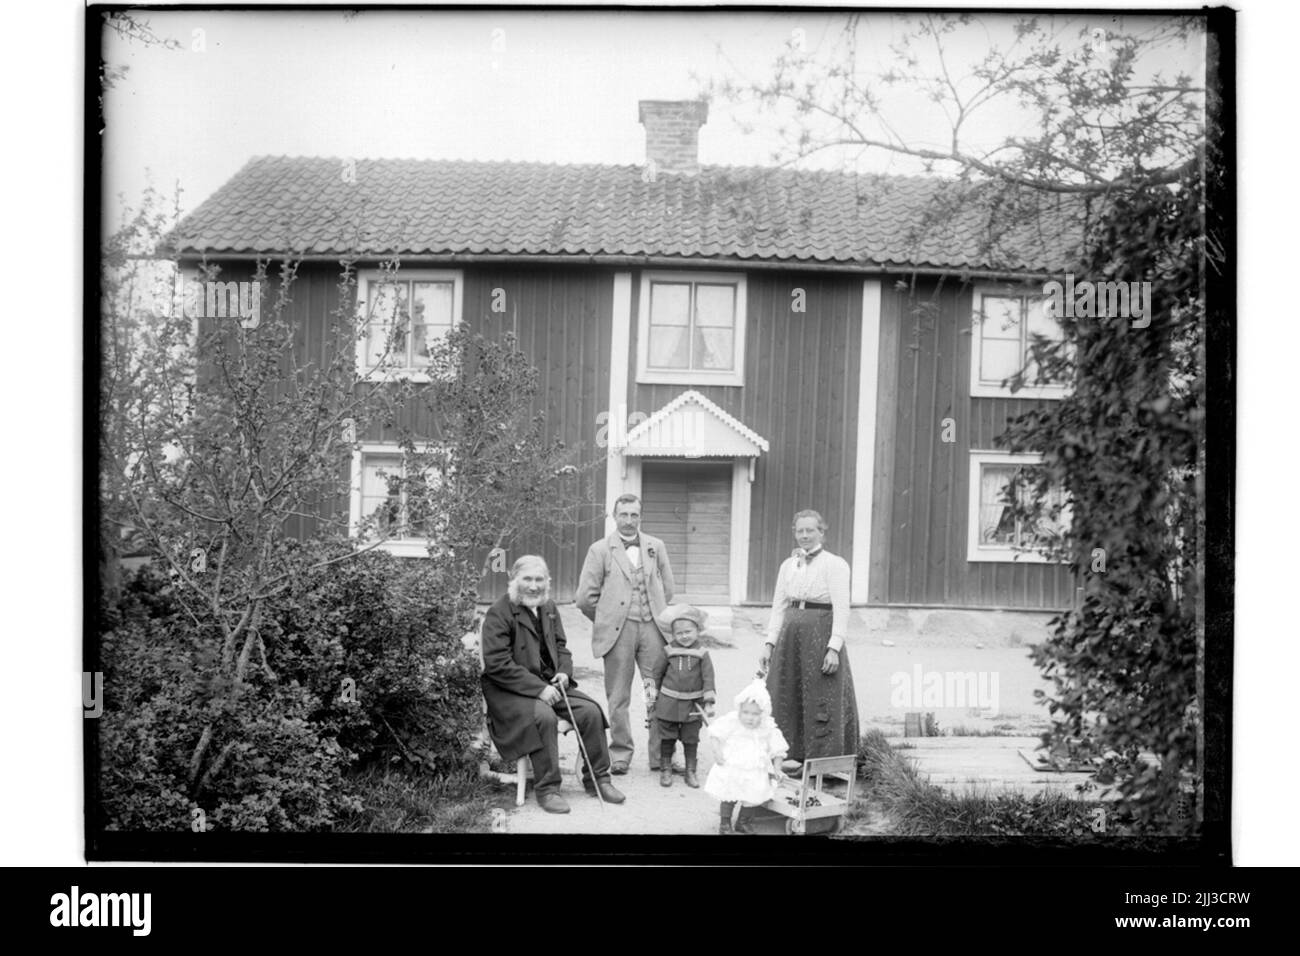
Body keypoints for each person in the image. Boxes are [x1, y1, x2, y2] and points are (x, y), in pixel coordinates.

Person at [481, 555, 626, 814]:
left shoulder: (548, 607)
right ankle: (547, 788)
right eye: (527, 579)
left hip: (549, 683)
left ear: (547, 582)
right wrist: (538, 689)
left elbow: (561, 647)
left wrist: (563, 673)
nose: (534, 586)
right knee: (543, 718)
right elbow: (497, 664)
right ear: (513, 580)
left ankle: (598, 779)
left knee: (590, 712)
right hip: (510, 690)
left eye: (539, 579)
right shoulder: (498, 613)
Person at [577, 493, 677, 774]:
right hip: (618, 633)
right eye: (624, 515)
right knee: (618, 695)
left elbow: (668, 589)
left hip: (652, 631)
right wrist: (607, 619)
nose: (629, 521)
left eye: (634, 515)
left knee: (654, 693)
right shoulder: (600, 550)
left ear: (640, 517)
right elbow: (585, 598)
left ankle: (660, 754)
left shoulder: (656, 546)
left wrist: (655, 613)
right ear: (614, 516)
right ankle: (620, 753)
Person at [758, 509, 860, 766]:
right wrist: (770, 643)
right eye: (800, 531)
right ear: (794, 533)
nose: (804, 535)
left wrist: (833, 647)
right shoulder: (788, 565)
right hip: (790, 637)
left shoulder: (835, 564)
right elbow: (779, 606)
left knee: (820, 696)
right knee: (786, 692)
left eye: (810, 530)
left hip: (819, 634)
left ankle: (825, 764)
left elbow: (842, 609)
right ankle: (790, 757)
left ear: (821, 533)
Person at [704, 679, 789, 835]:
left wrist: (777, 768)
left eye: (755, 714)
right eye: (746, 713)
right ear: (739, 710)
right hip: (733, 765)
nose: (750, 718)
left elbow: (778, 748)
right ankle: (724, 823)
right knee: (729, 793)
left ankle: (743, 822)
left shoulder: (767, 726)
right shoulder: (733, 721)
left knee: (753, 794)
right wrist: (717, 752)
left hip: (756, 768)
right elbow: (715, 734)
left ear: (763, 713)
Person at [649, 604, 717, 789]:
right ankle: (666, 769)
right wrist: (651, 698)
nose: (684, 636)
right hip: (668, 703)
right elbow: (655, 675)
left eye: (688, 631)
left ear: (697, 631)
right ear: (673, 635)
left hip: (693, 705)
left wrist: (709, 702)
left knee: (691, 738)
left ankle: (690, 771)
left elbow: (708, 678)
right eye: (679, 633)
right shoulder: (667, 651)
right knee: (667, 737)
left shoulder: (702, 653)